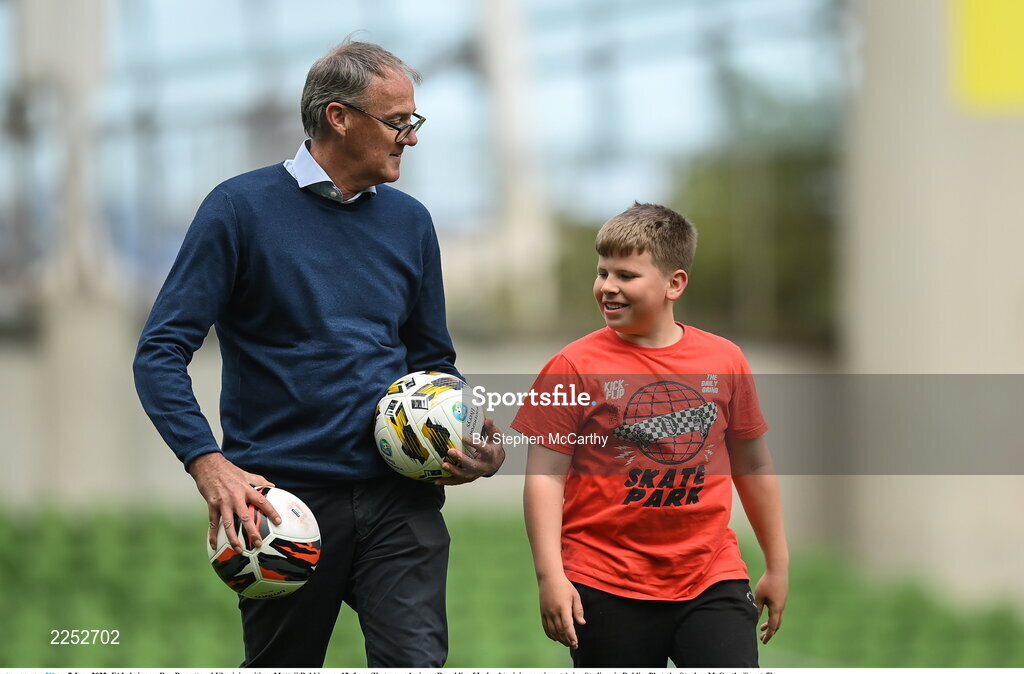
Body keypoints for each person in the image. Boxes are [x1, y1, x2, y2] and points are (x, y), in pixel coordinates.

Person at [133, 39, 505, 667]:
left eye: (413, 121)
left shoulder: (412, 222)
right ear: (339, 117)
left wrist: (466, 438)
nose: (412, 138)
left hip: (399, 500)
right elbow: (159, 352)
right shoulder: (238, 209)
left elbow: (433, 361)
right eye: (398, 122)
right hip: (283, 508)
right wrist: (207, 463)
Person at [511, 203, 787, 667]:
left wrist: (777, 565)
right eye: (602, 272)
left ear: (674, 284)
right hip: (604, 583)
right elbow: (545, 477)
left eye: (626, 275)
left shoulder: (726, 360)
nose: (608, 286)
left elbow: (754, 464)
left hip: (711, 576)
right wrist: (550, 576)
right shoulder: (571, 367)